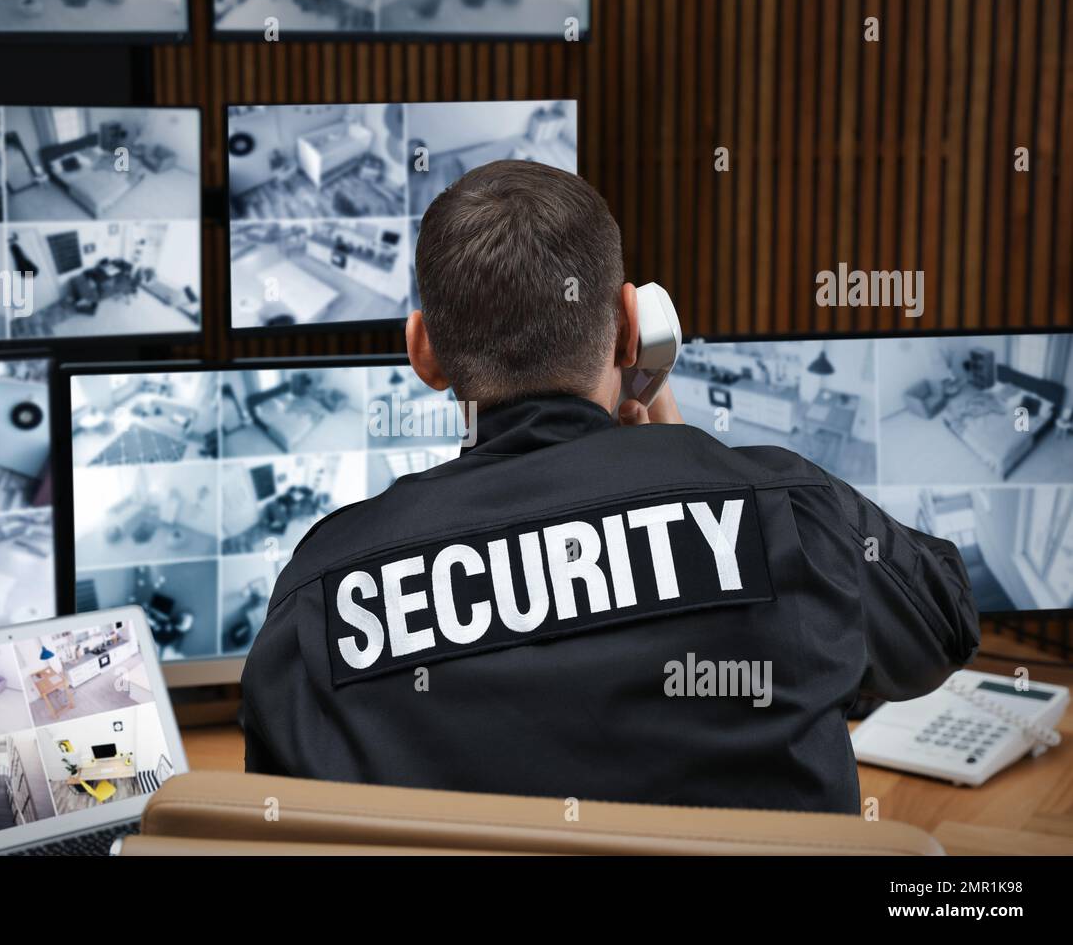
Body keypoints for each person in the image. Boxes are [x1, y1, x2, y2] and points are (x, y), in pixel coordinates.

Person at [240, 160, 978, 812]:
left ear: (422, 350)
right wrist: (696, 466)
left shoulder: (320, 596)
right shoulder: (786, 514)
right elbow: (943, 620)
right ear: (634, 330)